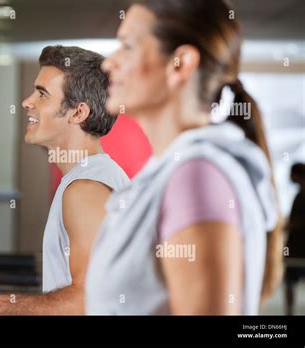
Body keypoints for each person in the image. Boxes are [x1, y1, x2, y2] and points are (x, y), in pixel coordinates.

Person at [85, 0, 283, 315]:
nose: (109, 63)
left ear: (180, 64)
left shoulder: (196, 175)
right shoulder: (174, 171)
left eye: (127, 46)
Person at [0, 45, 130, 315]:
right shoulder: (90, 178)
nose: (26, 102)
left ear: (78, 113)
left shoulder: (85, 190)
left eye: (42, 94)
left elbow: (90, 300)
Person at [285, 163, 305, 315]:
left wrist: (290, 225)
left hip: (300, 250)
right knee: (290, 283)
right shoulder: (299, 194)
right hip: (294, 251)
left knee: (291, 283)